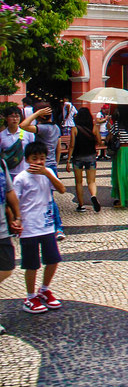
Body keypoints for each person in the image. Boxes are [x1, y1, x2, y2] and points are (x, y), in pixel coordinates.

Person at [14, 141, 65, 314]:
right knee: (32, 264)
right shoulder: (21, 178)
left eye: (42, 158)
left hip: (47, 226)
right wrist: (16, 220)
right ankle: (30, 296)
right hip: (29, 227)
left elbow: (61, 189)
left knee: (53, 259)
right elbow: (14, 201)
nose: (39, 162)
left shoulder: (48, 173)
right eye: (34, 158)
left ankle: (44, 289)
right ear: (27, 159)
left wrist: (48, 174)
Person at [19, 106, 64, 240]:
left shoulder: (44, 128)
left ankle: (58, 227)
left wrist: (37, 113)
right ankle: (49, 225)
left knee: (49, 198)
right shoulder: (56, 127)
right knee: (46, 197)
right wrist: (56, 162)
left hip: (43, 166)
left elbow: (23, 125)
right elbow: (58, 147)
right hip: (51, 164)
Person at [0, 144, 21, 332]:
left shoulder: (1, 163)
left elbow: (9, 191)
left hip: (1, 228)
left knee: (6, 267)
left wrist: (16, 216)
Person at [69, 107, 102, 212]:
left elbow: (72, 145)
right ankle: (93, 196)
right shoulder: (94, 128)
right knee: (91, 181)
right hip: (91, 156)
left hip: (78, 157)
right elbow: (99, 142)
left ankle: (81, 205)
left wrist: (68, 160)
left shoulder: (74, 129)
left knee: (79, 182)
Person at [1, 105, 33, 176]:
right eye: (12, 116)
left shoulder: (28, 133)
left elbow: (32, 151)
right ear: (6, 118)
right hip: (8, 173)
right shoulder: (2, 136)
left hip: (25, 171)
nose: (15, 119)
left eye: (17, 116)